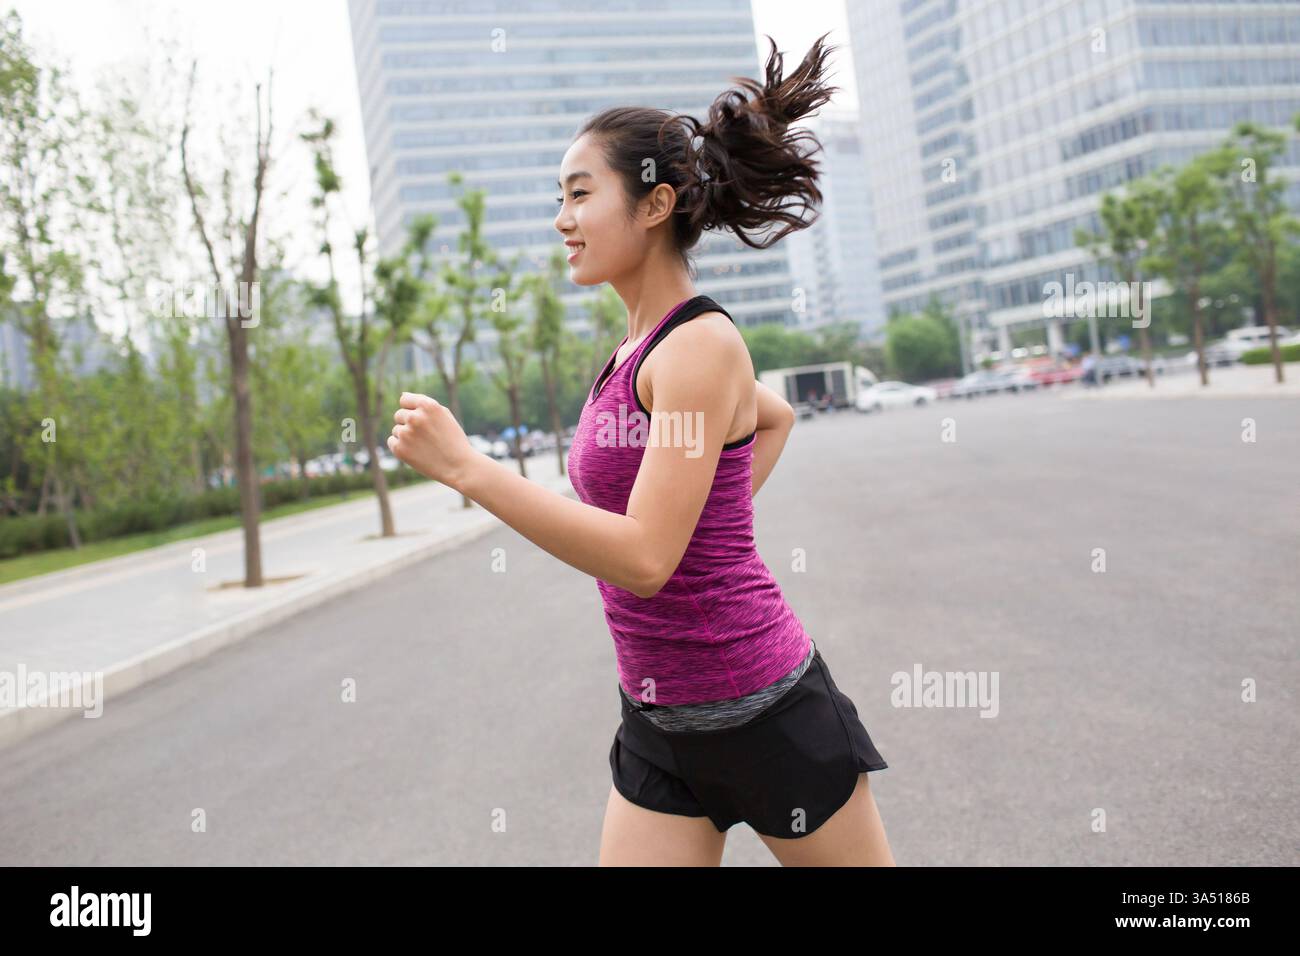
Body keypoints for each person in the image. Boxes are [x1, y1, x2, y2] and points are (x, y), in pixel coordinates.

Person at [387, 33, 893, 867]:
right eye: (560, 197)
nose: (562, 220)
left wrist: (468, 470)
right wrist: (707, 520)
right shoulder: (636, 351)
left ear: (653, 206)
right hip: (659, 731)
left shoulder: (696, 347)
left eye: (580, 195)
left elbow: (648, 558)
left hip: (766, 715)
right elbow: (768, 422)